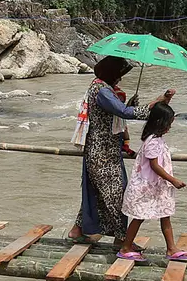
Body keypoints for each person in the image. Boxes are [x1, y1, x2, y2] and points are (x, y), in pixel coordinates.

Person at [70, 55, 174, 243]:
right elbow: (123, 113)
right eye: (119, 74)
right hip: (102, 152)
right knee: (117, 195)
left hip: (106, 150)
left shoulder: (102, 88)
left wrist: (133, 105)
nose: (120, 78)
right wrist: (153, 104)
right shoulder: (102, 91)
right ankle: (121, 239)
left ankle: (77, 230)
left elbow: (117, 112)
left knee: (99, 192)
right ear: (111, 73)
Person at [119, 102, 187, 262]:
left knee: (165, 215)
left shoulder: (156, 139)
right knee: (138, 217)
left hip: (156, 187)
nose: (170, 127)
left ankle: (171, 248)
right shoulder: (152, 141)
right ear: (160, 123)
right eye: (169, 124)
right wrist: (173, 180)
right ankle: (125, 248)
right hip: (147, 187)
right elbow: (154, 166)